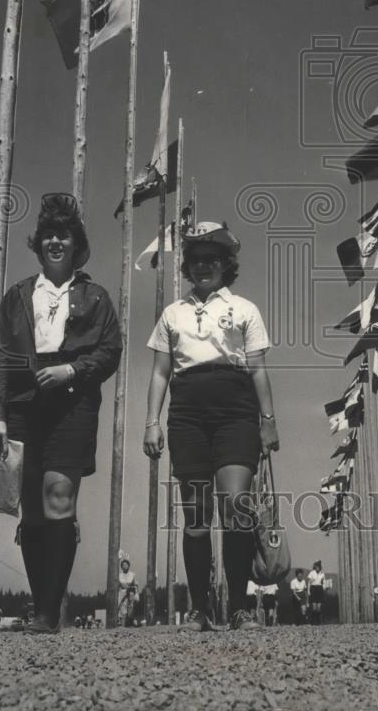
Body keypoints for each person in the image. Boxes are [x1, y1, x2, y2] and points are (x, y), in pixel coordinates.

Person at [0, 194, 123, 634]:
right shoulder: (18, 296)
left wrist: (72, 370)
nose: (55, 242)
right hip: (23, 404)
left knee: (59, 496)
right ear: (38, 244)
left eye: (63, 235)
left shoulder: (95, 297)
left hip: (73, 403)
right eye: (48, 236)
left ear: (75, 243)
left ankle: (47, 613)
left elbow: (110, 350)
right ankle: (40, 600)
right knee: (32, 510)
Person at [144, 221, 280, 632]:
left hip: (236, 413)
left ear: (226, 264)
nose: (203, 266)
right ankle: (200, 609)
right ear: (187, 265)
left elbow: (257, 370)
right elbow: (160, 373)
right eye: (196, 260)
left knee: (237, 504)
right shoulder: (172, 313)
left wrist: (268, 420)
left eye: (212, 259)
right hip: (187, 415)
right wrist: (152, 422)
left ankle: (239, 607)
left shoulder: (245, 309)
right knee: (197, 514)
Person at [117, 558, 138, 628]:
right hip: (122, 593)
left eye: (126, 565)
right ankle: (123, 625)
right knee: (122, 609)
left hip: (131, 593)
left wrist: (137, 594)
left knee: (130, 608)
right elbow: (118, 585)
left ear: (128, 566)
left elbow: (135, 585)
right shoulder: (119, 575)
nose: (124, 566)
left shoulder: (132, 574)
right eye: (123, 565)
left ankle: (131, 624)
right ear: (121, 567)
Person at [307, 561, 326, 625]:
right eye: (316, 566)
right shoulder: (312, 573)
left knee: (319, 607)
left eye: (319, 566)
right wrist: (308, 591)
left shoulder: (322, 574)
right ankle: (312, 621)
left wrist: (324, 588)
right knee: (314, 607)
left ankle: (318, 621)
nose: (317, 568)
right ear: (315, 567)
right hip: (313, 589)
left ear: (320, 567)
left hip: (319, 589)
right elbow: (309, 583)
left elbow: (323, 583)